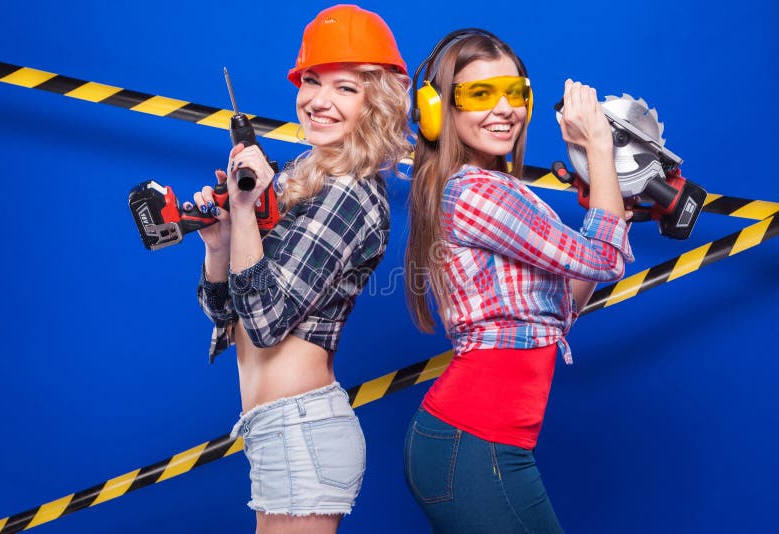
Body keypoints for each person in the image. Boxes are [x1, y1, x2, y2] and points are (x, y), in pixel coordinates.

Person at [402, 29, 634, 533]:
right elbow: (605, 257)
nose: (504, 108)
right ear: (439, 109)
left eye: (516, 92)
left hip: (482, 444)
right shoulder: (474, 194)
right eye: (481, 94)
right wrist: (597, 143)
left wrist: (611, 202)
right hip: (473, 445)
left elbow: (562, 307)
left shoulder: (501, 189)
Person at [194, 4, 411, 532]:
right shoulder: (301, 177)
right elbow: (227, 312)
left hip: (302, 432)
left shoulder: (351, 193)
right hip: (277, 429)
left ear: (376, 104)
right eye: (312, 81)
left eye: (345, 88)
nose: (319, 101)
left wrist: (245, 214)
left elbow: (266, 322)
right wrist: (220, 244)